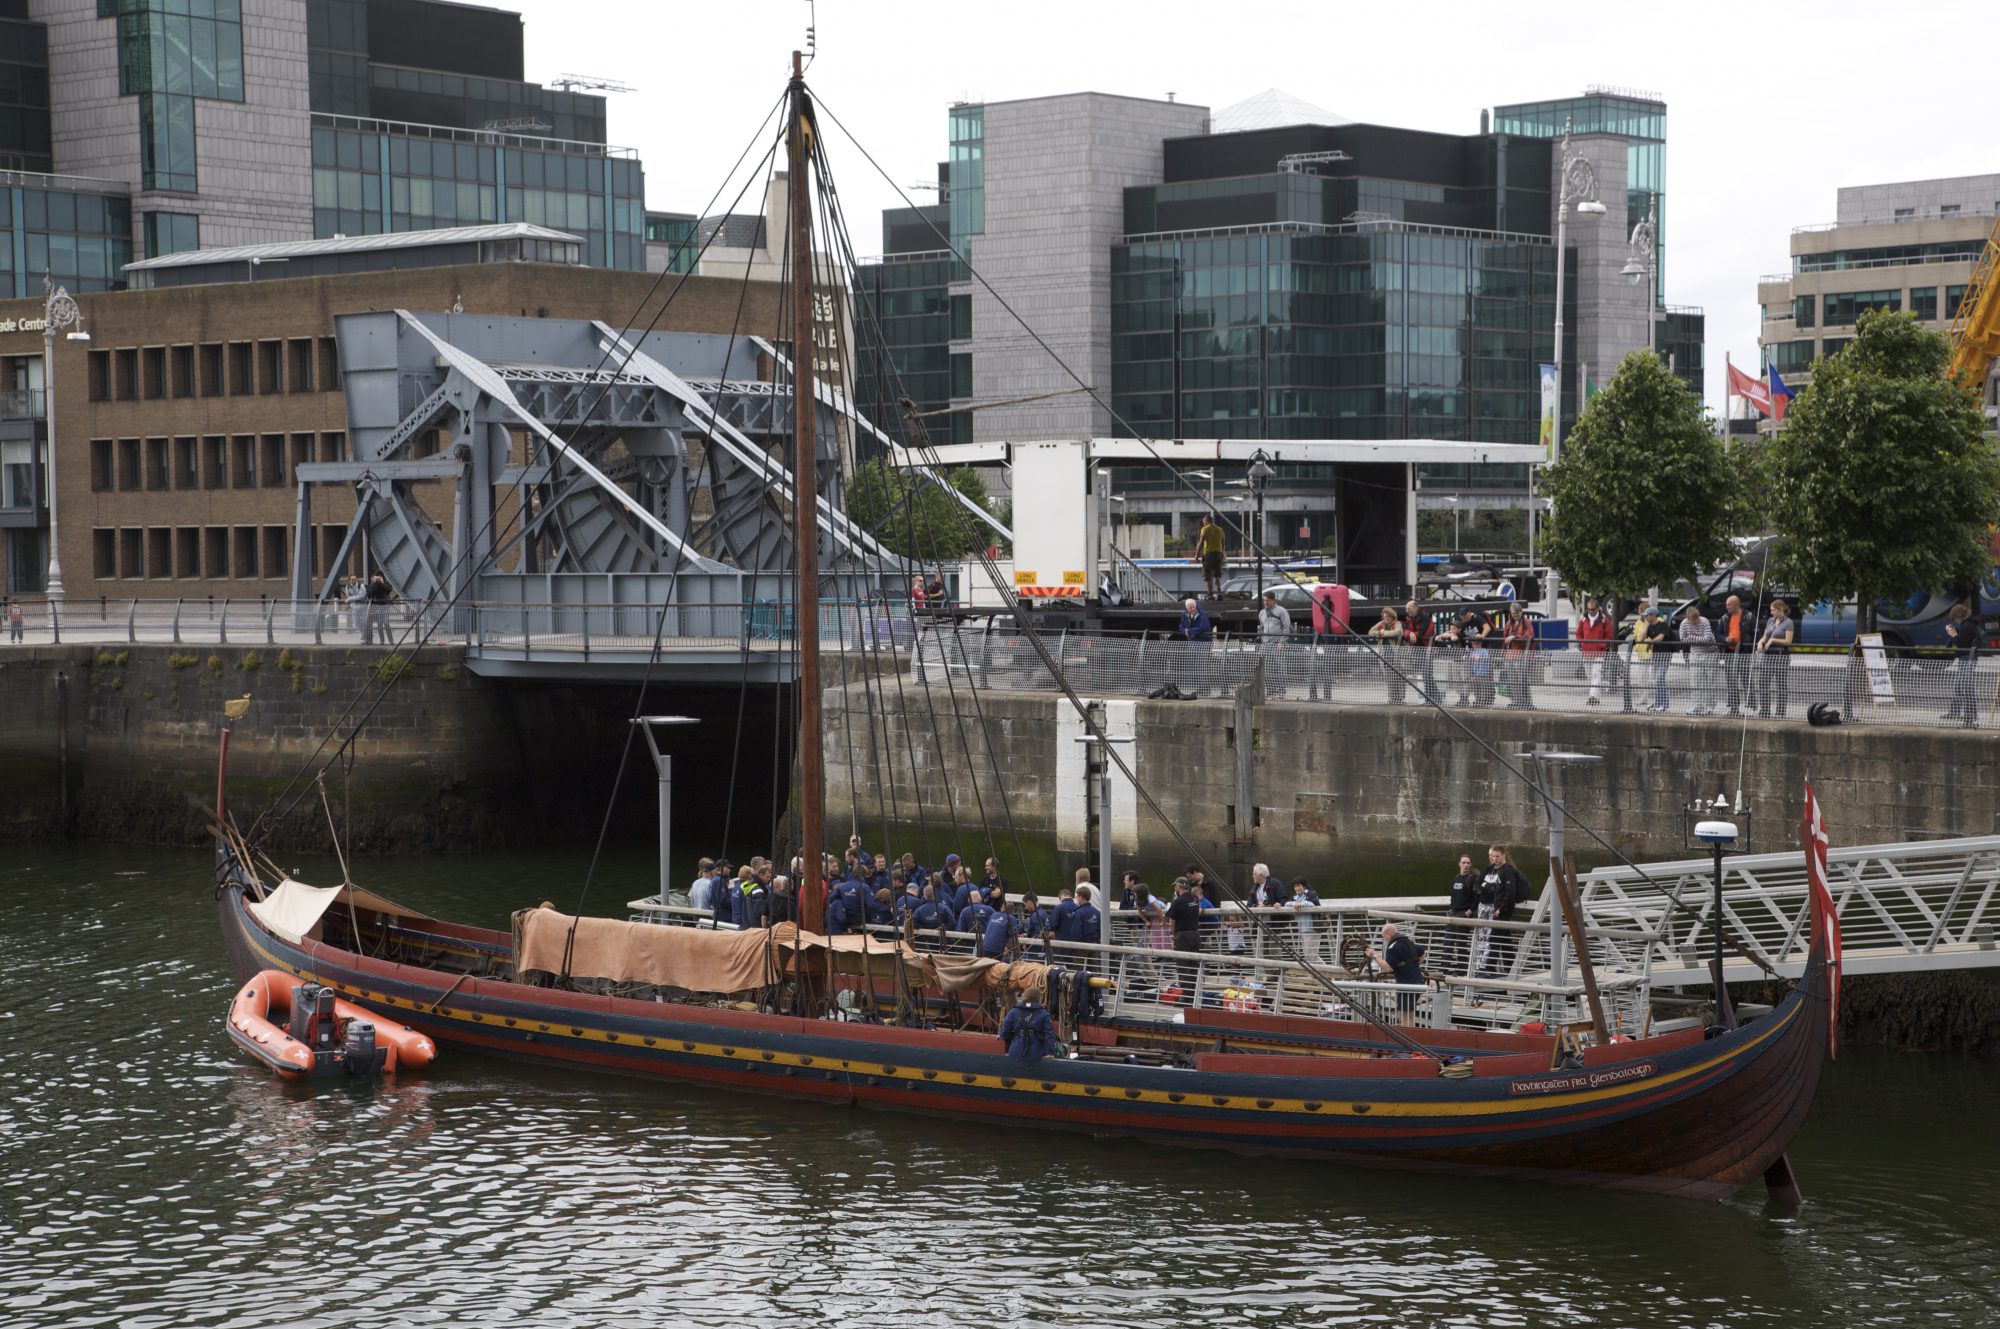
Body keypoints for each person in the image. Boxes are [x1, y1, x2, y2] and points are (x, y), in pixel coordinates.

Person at [1478, 845, 1529, 979]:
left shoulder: (1507, 870)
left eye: (1497, 856)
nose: (1494, 859)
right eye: (1493, 856)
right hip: (1499, 908)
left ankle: (1490, 969)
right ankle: (1510, 967)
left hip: (1503, 910)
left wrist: (1501, 908)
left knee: (1494, 938)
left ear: (1504, 856)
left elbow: (1510, 892)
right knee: (1505, 938)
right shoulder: (1498, 870)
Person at [1366, 922, 1427, 1019]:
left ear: (1388, 934)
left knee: (1404, 1015)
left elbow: (1387, 968)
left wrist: (1374, 956)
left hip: (1406, 986)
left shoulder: (1393, 946)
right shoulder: (1408, 942)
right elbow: (1422, 952)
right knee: (1410, 1014)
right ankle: (1409, 1028)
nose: (1384, 940)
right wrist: (1415, 964)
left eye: (1383, 937)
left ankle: (1405, 1029)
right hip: (1417, 982)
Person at [1753, 598, 1795, 718]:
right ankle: (1765, 711)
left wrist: (1773, 640)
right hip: (1768, 656)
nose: (1771, 613)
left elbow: (1788, 641)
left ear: (1780, 609)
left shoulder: (1788, 622)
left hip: (1781, 656)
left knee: (1780, 684)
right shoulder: (1770, 621)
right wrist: (1760, 642)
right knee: (1763, 682)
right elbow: (1765, 636)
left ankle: (1780, 712)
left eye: (1773, 610)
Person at [1679, 603, 1720, 715]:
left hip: (1710, 653)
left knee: (1710, 681)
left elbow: (1707, 639)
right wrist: (1698, 639)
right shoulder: (1683, 624)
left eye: (1697, 618)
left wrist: (1691, 637)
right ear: (1688, 619)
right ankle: (1697, 706)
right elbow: (1683, 639)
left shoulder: (1704, 621)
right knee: (1695, 681)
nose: (1697, 621)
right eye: (1694, 620)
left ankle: (1709, 707)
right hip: (1695, 654)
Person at [1717, 593, 1754, 716]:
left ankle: (1751, 707)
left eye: (1728, 605)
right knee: (1731, 681)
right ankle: (1734, 707)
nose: (1726, 607)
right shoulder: (1724, 618)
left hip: (1744, 653)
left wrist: (1750, 647)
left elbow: (1755, 633)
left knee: (1746, 679)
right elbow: (1717, 634)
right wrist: (1725, 638)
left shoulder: (1748, 617)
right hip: (1730, 653)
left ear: (1736, 604)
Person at [1946, 602, 1981, 726]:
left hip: (1967, 658)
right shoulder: (1969, 624)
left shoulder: (1967, 625)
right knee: (1963, 686)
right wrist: (1956, 632)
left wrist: (1954, 635)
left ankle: (1967, 714)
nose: (1955, 620)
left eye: (1955, 617)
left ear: (1959, 615)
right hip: (1968, 658)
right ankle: (1959, 712)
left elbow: (1961, 644)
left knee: (1962, 686)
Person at [1633, 605, 1673, 712]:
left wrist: (1650, 642)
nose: (1645, 617)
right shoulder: (1649, 626)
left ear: (1653, 615)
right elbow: (1641, 639)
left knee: (1660, 678)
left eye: (1647, 615)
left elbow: (1661, 637)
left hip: (1665, 654)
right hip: (1656, 655)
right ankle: (1657, 702)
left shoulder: (1663, 624)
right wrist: (1646, 625)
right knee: (1656, 680)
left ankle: (1664, 704)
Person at [1576, 596, 1614, 705]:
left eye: (1592, 609)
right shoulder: (1583, 619)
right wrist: (1582, 643)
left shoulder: (1604, 620)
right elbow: (1578, 633)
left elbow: (1609, 636)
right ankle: (1598, 693)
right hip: (1586, 652)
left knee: (1596, 674)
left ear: (1598, 608)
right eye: (1588, 609)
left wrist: (1602, 645)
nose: (1590, 611)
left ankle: (1593, 697)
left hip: (1599, 653)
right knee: (1590, 675)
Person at [1447, 853, 1481, 976]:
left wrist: (1470, 911)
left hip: (1464, 913)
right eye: (1463, 862)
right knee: (1448, 941)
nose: (1466, 865)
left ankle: (1461, 969)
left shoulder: (1472, 879)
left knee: (1461, 942)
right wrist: (1451, 909)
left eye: (1468, 863)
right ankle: (1445, 967)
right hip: (1453, 912)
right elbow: (1453, 895)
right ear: (1459, 864)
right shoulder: (1456, 878)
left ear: (1470, 865)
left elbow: (1477, 897)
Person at [998, 995, 1060, 1062]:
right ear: (1038, 999)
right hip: (1037, 1055)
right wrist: (1051, 1052)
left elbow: (1004, 1032)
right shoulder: (1044, 1014)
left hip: (1016, 1052)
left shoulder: (1013, 1012)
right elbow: (1048, 1034)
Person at [1500, 601, 1536, 708]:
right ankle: (1516, 702)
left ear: (1521, 612)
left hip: (1521, 657)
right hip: (1509, 657)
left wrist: (1514, 637)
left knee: (1523, 680)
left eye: (1517, 612)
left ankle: (1527, 703)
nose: (1515, 615)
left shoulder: (1527, 623)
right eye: (1513, 613)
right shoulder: (1508, 624)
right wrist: (1503, 653)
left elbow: (1528, 637)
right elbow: (1504, 638)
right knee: (1512, 681)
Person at [1176, 596, 1213, 696]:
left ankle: (1205, 689)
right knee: (1198, 666)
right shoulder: (1184, 614)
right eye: (1190, 607)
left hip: (1204, 643)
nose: (1192, 609)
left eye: (1193, 606)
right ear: (1187, 608)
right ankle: (1201, 688)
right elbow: (1181, 626)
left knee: (1204, 666)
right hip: (1193, 643)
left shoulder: (1202, 614)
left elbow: (1203, 627)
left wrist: (1189, 631)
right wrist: (1185, 631)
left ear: (1195, 605)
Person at [1368, 606, 1406, 704]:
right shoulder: (1381, 624)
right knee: (1389, 678)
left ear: (1392, 617)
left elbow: (1399, 632)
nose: (1386, 619)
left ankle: (1401, 698)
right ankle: (1392, 698)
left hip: (1396, 656)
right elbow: (1370, 631)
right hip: (1384, 656)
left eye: (1388, 617)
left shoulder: (1397, 623)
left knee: (1399, 677)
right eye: (1384, 617)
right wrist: (1379, 633)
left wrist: (1384, 633)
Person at [1258, 591, 1293, 697]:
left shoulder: (1281, 611)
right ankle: (1271, 689)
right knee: (1267, 668)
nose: (1265, 602)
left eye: (1267, 600)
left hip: (1277, 644)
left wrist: (1282, 642)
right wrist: (1262, 638)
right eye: (1264, 600)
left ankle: (1281, 690)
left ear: (1273, 600)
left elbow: (1286, 627)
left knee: (1280, 667)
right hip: (1266, 644)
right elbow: (1261, 627)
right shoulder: (1262, 613)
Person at [1404, 599, 1438, 703]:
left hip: (1426, 649)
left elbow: (1423, 633)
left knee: (1427, 674)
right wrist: (1411, 634)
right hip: (1418, 649)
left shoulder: (1425, 617)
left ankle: (1434, 698)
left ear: (1415, 608)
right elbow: (1405, 631)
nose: (1407, 611)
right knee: (1426, 675)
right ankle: (1432, 698)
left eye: (1409, 609)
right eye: (1406, 609)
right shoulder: (1411, 618)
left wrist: (1412, 634)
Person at [1165, 876, 1204, 953]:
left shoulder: (1177, 902)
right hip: (1195, 934)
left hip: (1182, 936)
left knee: (1182, 959)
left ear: (1179, 887)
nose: (1174, 888)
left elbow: (1171, 922)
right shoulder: (1195, 898)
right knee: (1195, 959)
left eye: (1175, 886)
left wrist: (1175, 935)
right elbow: (1198, 910)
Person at [1194, 512, 1227, 598]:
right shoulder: (1220, 529)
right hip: (1218, 555)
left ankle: (1210, 595)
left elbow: (1201, 542)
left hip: (1208, 555)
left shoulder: (1205, 529)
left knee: (1208, 576)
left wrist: (1197, 554)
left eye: (1204, 522)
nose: (1203, 523)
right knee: (1217, 575)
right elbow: (1223, 543)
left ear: (1207, 521)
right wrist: (1222, 553)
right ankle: (1219, 593)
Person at [1288, 876, 1321, 960]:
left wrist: (1301, 904)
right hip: (1303, 930)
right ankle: (1324, 968)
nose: (1297, 888)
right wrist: (1294, 904)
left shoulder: (1311, 894)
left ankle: (1326, 968)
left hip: (1312, 929)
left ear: (1304, 886)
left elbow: (1314, 904)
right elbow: (1286, 904)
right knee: (1309, 956)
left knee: (1311, 956)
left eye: (1299, 886)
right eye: (1295, 886)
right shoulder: (1296, 897)